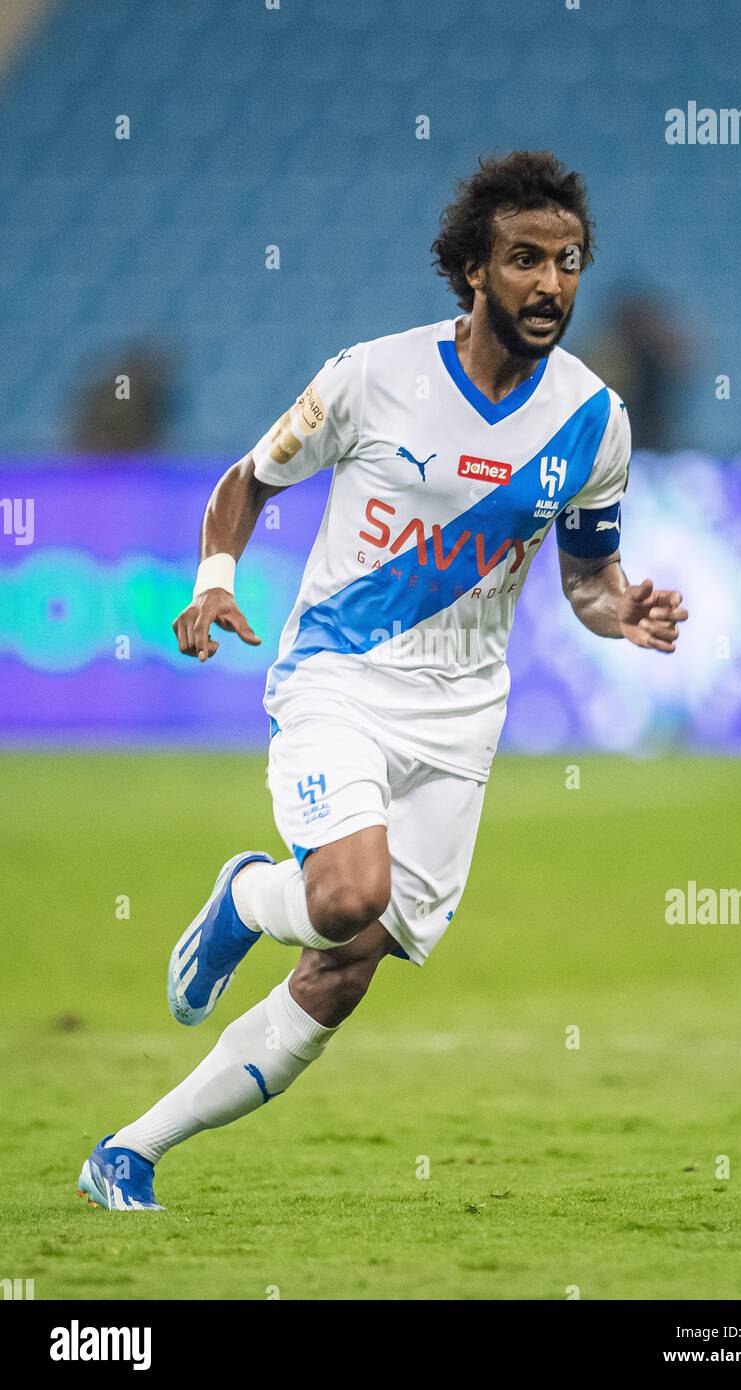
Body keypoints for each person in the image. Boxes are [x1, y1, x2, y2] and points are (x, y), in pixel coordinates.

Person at [76, 150, 688, 1210]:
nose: (549, 284)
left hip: (462, 716)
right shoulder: (370, 376)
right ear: (471, 271)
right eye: (524, 260)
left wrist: (620, 611)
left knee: (343, 965)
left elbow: (588, 580)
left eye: (567, 262)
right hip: (340, 677)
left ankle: (129, 1150)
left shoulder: (594, 423)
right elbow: (246, 479)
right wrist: (215, 577)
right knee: (342, 894)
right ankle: (246, 896)